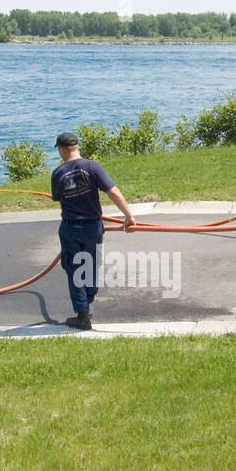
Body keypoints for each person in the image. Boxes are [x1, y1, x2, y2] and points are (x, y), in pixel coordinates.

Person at [50, 131, 136, 330]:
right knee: (89, 265)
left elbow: (57, 197)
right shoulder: (92, 166)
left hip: (71, 227)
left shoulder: (58, 173)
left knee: (74, 269)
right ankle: (85, 306)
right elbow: (113, 191)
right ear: (76, 147)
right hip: (93, 226)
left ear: (62, 149)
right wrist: (128, 216)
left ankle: (82, 315)